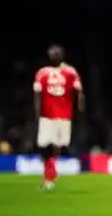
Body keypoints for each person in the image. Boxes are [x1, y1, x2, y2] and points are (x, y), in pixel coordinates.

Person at [33, 44, 83, 191]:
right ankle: (49, 174)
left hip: (64, 116)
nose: (54, 56)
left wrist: (80, 110)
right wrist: (36, 114)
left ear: (62, 55)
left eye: (57, 53)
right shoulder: (42, 73)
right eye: (52, 53)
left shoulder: (70, 72)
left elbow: (79, 92)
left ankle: (50, 172)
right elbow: (37, 95)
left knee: (58, 145)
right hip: (47, 116)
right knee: (45, 145)